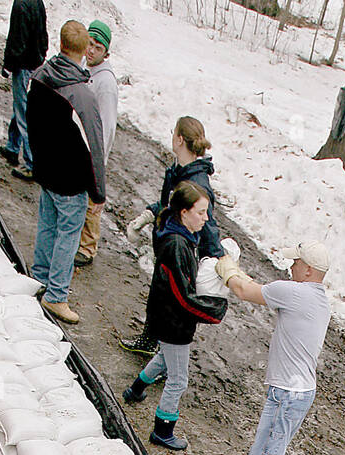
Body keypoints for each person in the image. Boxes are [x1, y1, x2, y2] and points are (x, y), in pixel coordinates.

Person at [216, 241, 331, 455]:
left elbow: (244, 290)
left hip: (289, 394)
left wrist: (226, 265)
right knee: (261, 445)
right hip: (294, 390)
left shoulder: (295, 292)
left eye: (295, 263)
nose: (290, 266)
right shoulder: (320, 299)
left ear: (308, 269)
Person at [121, 182, 227, 452]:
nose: (206, 218)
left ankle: (136, 390)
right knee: (178, 379)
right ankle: (162, 428)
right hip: (173, 321)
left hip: (164, 317)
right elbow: (182, 296)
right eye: (201, 212)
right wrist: (213, 311)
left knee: (164, 358)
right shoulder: (178, 245)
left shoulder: (181, 236)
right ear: (183, 212)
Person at [120, 116, 224, 355]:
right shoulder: (178, 171)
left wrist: (217, 259)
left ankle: (167, 357)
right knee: (157, 297)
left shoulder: (196, 182)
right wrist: (149, 214)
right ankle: (149, 342)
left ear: (179, 139)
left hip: (180, 250)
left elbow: (208, 226)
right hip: (166, 245)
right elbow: (169, 203)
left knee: (172, 304)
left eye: (173, 132)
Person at [26, 20, 106, 326]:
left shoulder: (40, 77)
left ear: (60, 45)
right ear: (85, 50)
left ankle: (39, 277)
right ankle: (56, 296)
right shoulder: (81, 94)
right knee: (68, 234)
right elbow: (95, 146)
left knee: (47, 224)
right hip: (71, 179)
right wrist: (98, 191)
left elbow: (30, 122)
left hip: (46, 170)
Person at [73, 20, 119, 267]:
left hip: (93, 149)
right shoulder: (83, 65)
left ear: (106, 52)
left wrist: (99, 158)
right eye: (89, 44)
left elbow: (108, 125)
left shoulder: (106, 84)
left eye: (97, 47)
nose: (91, 50)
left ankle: (88, 247)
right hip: (77, 142)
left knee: (93, 200)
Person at [0, 0, 48, 183]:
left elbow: (16, 40)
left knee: (23, 114)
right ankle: (12, 147)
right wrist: (42, 54)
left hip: (23, 65)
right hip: (35, 62)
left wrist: (7, 65)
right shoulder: (37, 2)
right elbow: (43, 33)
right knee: (21, 107)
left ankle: (31, 164)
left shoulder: (20, 5)